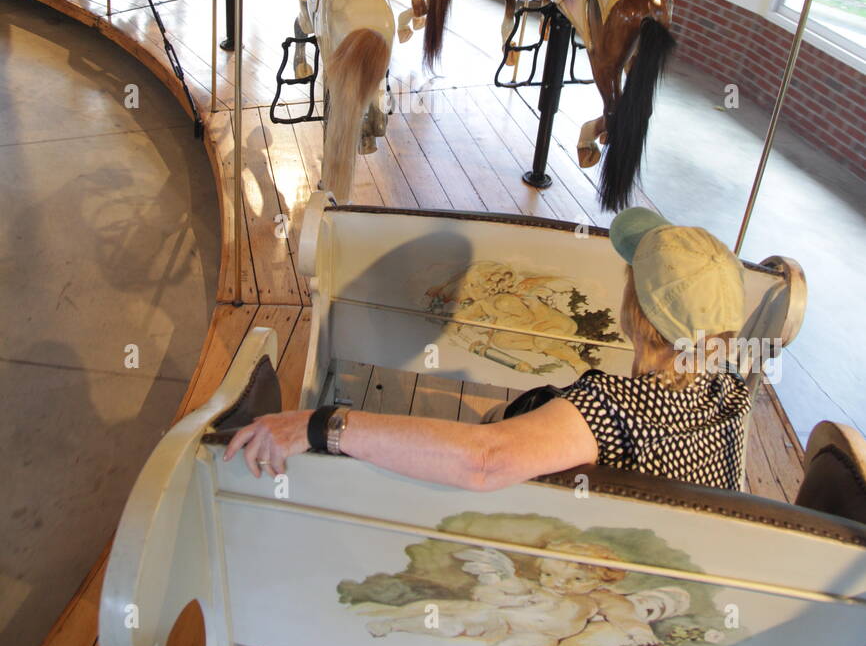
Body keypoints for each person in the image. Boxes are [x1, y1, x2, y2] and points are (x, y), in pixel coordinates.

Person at [225, 207, 749, 492]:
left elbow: (483, 462)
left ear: (634, 313)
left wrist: (319, 424)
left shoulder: (615, 409)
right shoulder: (731, 394)